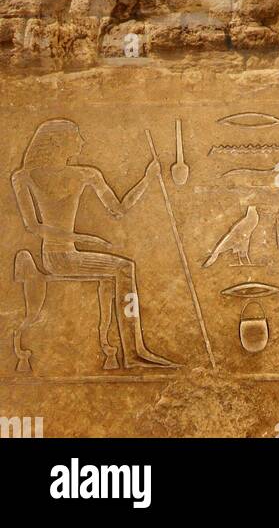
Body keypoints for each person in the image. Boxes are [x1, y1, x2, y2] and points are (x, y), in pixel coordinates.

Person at [12, 118, 175, 369]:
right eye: (76, 136)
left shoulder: (85, 174)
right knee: (123, 268)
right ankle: (133, 351)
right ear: (58, 142)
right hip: (58, 258)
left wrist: (147, 179)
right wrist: (82, 238)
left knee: (119, 270)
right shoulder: (24, 177)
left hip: (62, 256)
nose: (82, 141)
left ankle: (121, 346)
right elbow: (32, 227)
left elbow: (118, 209)